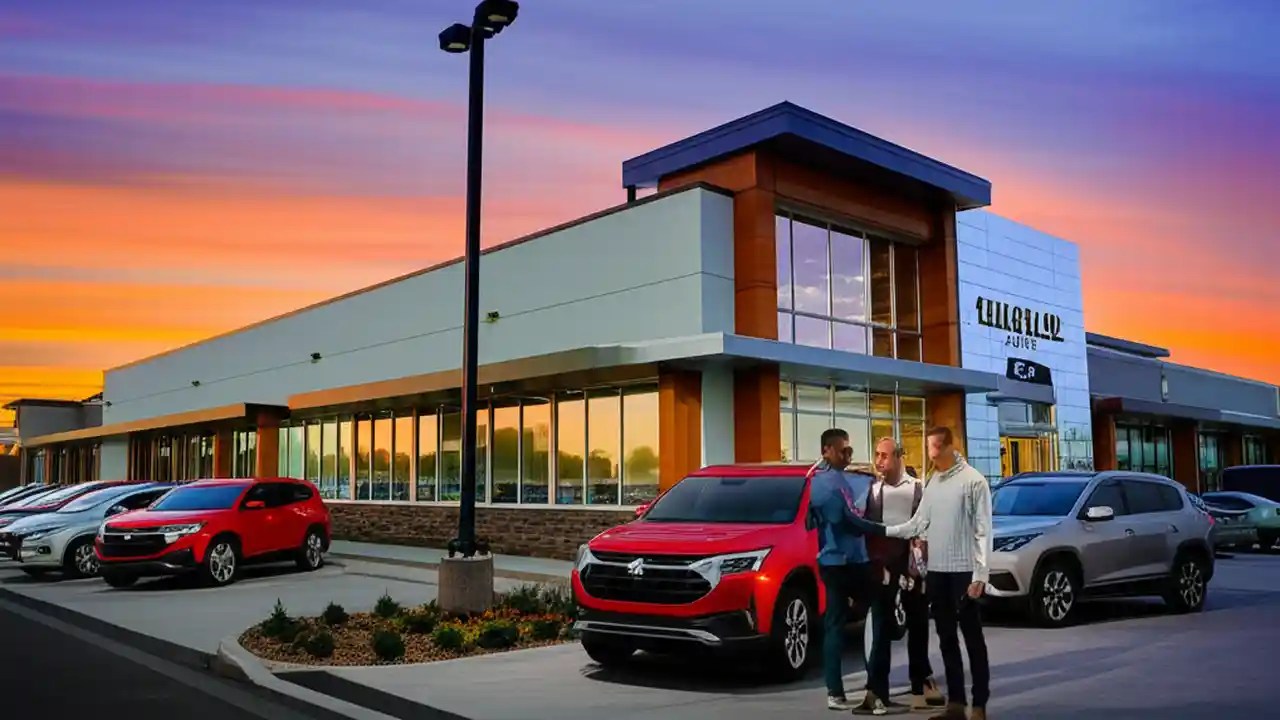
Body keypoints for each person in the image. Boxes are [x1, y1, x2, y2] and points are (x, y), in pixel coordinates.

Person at [883, 427, 993, 720]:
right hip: (937, 572)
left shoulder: (973, 481)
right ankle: (956, 704)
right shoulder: (933, 482)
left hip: (964, 571)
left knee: (972, 637)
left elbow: (984, 530)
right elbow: (918, 523)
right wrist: (884, 530)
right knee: (945, 637)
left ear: (947, 447)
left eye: (932, 447)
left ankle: (979, 704)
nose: (929, 453)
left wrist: (980, 574)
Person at [806, 428, 900, 715]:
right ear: (826, 451)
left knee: (843, 620)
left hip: (842, 560)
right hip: (843, 563)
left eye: (849, 450)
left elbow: (818, 519)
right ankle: (869, 688)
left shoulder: (833, 481)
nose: (848, 455)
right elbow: (846, 520)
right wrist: (890, 530)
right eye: (842, 450)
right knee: (873, 613)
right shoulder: (826, 483)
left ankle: (848, 690)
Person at [864, 437, 945, 713]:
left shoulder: (917, 489)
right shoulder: (873, 491)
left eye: (885, 456)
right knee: (882, 629)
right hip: (883, 568)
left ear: (898, 457)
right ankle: (878, 690)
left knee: (918, 625)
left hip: (912, 567)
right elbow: (870, 531)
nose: (879, 461)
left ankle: (919, 685)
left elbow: (927, 529)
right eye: (877, 455)